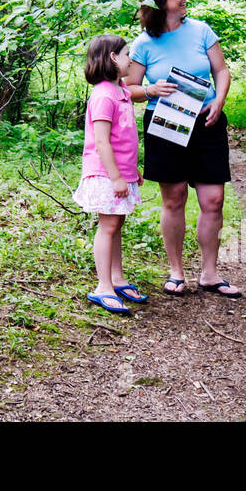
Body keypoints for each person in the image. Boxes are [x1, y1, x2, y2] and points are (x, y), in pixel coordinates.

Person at [124, 0, 239, 298]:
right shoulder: (145, 42)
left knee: (213, 199)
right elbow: (129, 88)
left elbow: (222, 70)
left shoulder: (201, 30)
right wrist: (150, 90)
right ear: (161, 1)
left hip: (206, 122)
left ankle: (210, 273)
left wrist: (219, 98)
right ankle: (176, 272)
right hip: (166, 126)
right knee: (174, 199)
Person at [74, 34, 147, 315]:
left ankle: (117, 278)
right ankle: (103, 286)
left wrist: (130, 172)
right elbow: (102, 142)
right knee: (108, 227)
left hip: (120, 173)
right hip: (105, 174)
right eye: (127, 54)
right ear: (113, 58)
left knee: (117, 225)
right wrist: (116, 177)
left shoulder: (122, 91)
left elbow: (124, 137)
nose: (131, 60)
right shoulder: (103, 94)